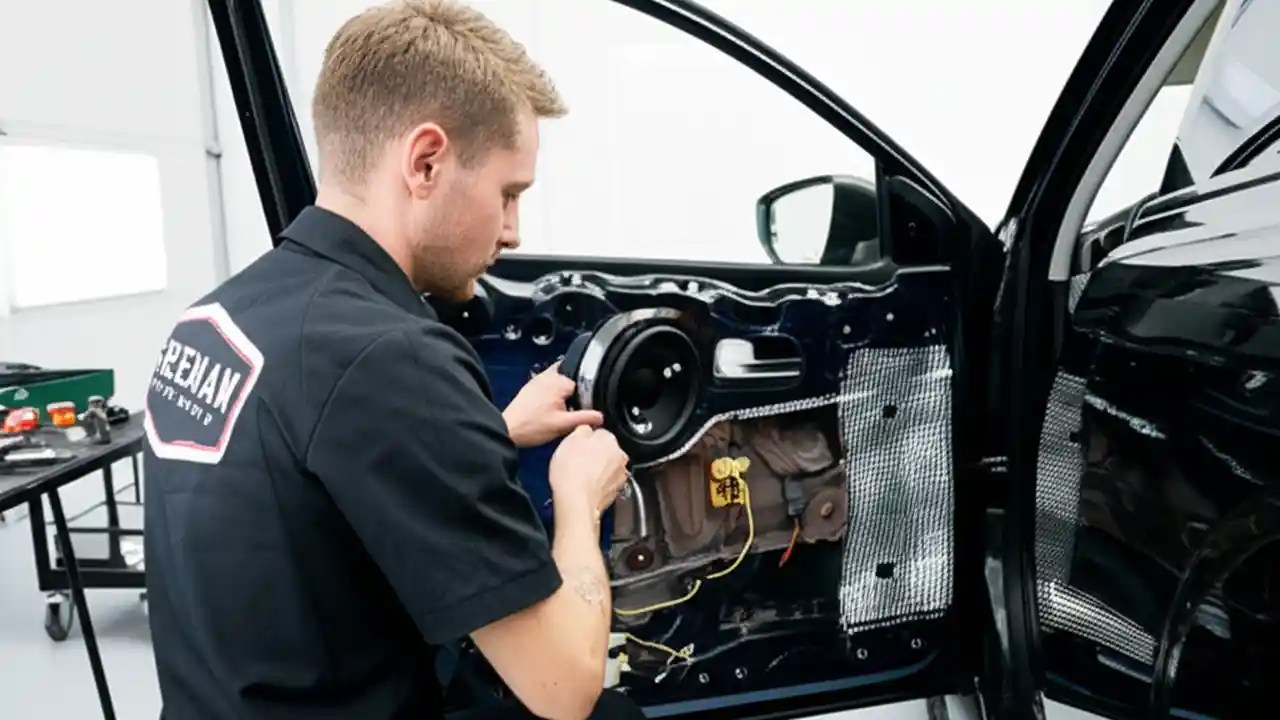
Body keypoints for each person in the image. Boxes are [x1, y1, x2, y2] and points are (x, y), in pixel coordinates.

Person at [141, 1, 643, 718]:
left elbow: (304, 501)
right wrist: (575, 498)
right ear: (426, 161)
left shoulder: (215, 319)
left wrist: (487, 434)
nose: (513, 232)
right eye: (508, 193)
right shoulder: (392, 356)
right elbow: (562, 687)